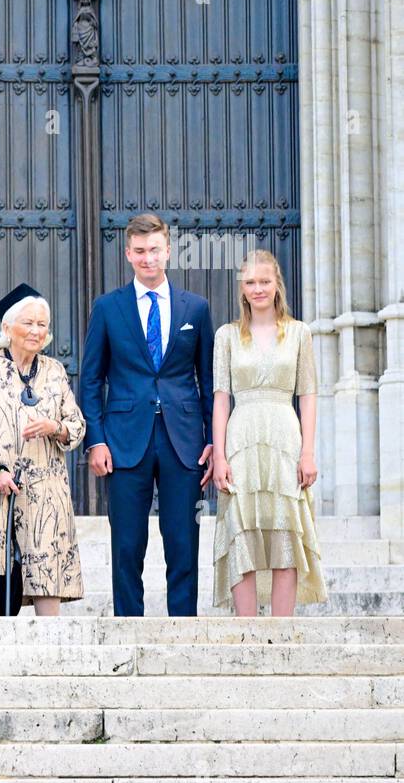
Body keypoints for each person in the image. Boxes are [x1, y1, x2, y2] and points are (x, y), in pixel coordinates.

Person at [79, 212, 215, 617]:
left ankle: (183, 630)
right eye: (140, 251)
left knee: (182, 540)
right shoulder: (107, 308)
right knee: (126, 543)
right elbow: (91, 380)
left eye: (155, 250)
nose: (148, 258)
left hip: (184, 440)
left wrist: (212, 441)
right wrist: (96, 440)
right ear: (128, 254)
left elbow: (208, 381)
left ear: (168, 251)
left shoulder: (197, 308)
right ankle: (127, 628)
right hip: (123, 441)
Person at [0, 284, 86, 614]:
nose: (36, 331)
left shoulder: (54, 371)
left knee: (47, 578)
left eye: (42, 325)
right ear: (7, 328)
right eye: (28, 323)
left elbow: (77, 425)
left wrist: (56, 428)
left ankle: (49, 660)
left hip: (46, 497)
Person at [211, 250, 325, 615]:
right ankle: (247, 631)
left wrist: (308, 452)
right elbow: (221, 399)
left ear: (277, 285)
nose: (258, 289)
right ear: (241, 289)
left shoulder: (299, 333)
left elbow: (307, 394)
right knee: (241, 529)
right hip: (241, 437)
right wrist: (219, 455)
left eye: (264, 281)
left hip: (284, 438)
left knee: (284, 530)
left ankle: (281, 632)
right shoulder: (226, 336)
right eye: (250, 283)